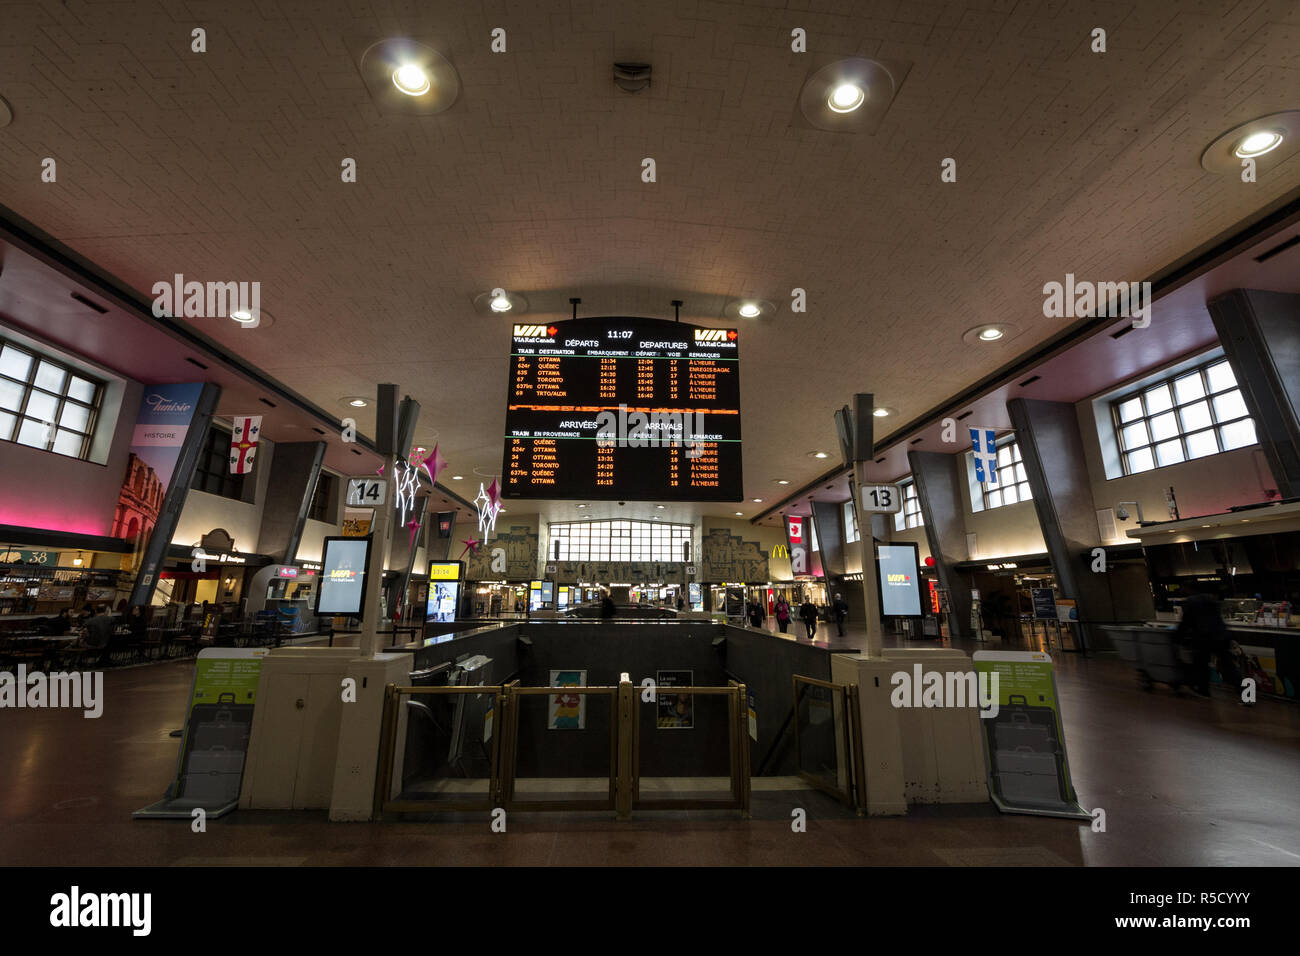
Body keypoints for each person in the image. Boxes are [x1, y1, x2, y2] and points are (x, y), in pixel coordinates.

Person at [1175, 594, 1230, 698]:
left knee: (1201, 664)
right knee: (1227, 665)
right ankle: (1245, 693)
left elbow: (1185, 622)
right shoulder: (1210, 599)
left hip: (1204, 638)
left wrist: (1177, 637)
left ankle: (1203, 690)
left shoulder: (1191, 601)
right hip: (1221, 635)